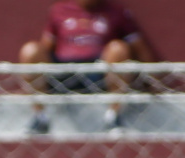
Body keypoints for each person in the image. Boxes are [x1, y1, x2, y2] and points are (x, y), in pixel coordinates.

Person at [18, 0, 157, 134]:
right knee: (31, 50)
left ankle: (113, 117)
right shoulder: (59, 11)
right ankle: (40, 117)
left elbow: (140, 49)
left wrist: (154, 81)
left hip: (98, 73)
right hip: (64, 71)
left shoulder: (116, 12)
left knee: (118, 48)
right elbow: (46, 48)